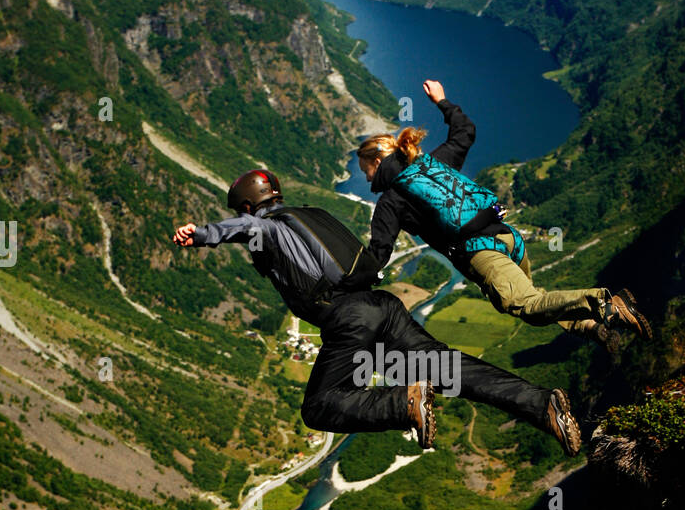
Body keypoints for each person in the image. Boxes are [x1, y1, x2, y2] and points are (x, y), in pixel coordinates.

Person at [172, 168, 582, 456]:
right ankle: (542, 404)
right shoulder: (310, 215)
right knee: (450, 370)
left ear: (247, 205)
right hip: (382, 305)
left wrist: (203, 235)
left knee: (320, 406)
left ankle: (403, 402)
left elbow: (247, 230)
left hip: (349, 318)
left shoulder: (267, 226)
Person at [359, 79, 651, 349]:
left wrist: (348, 285)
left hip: (481, 254)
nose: (369, 179)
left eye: (366, 171)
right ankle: (587, 326)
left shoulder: (390, 201)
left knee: (526, 305)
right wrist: (442, 101)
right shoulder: (434, 163)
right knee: (532, 296)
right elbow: (465, 132)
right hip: (508, 237)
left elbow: (378, 255)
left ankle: (605, 304)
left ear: (376, 161)